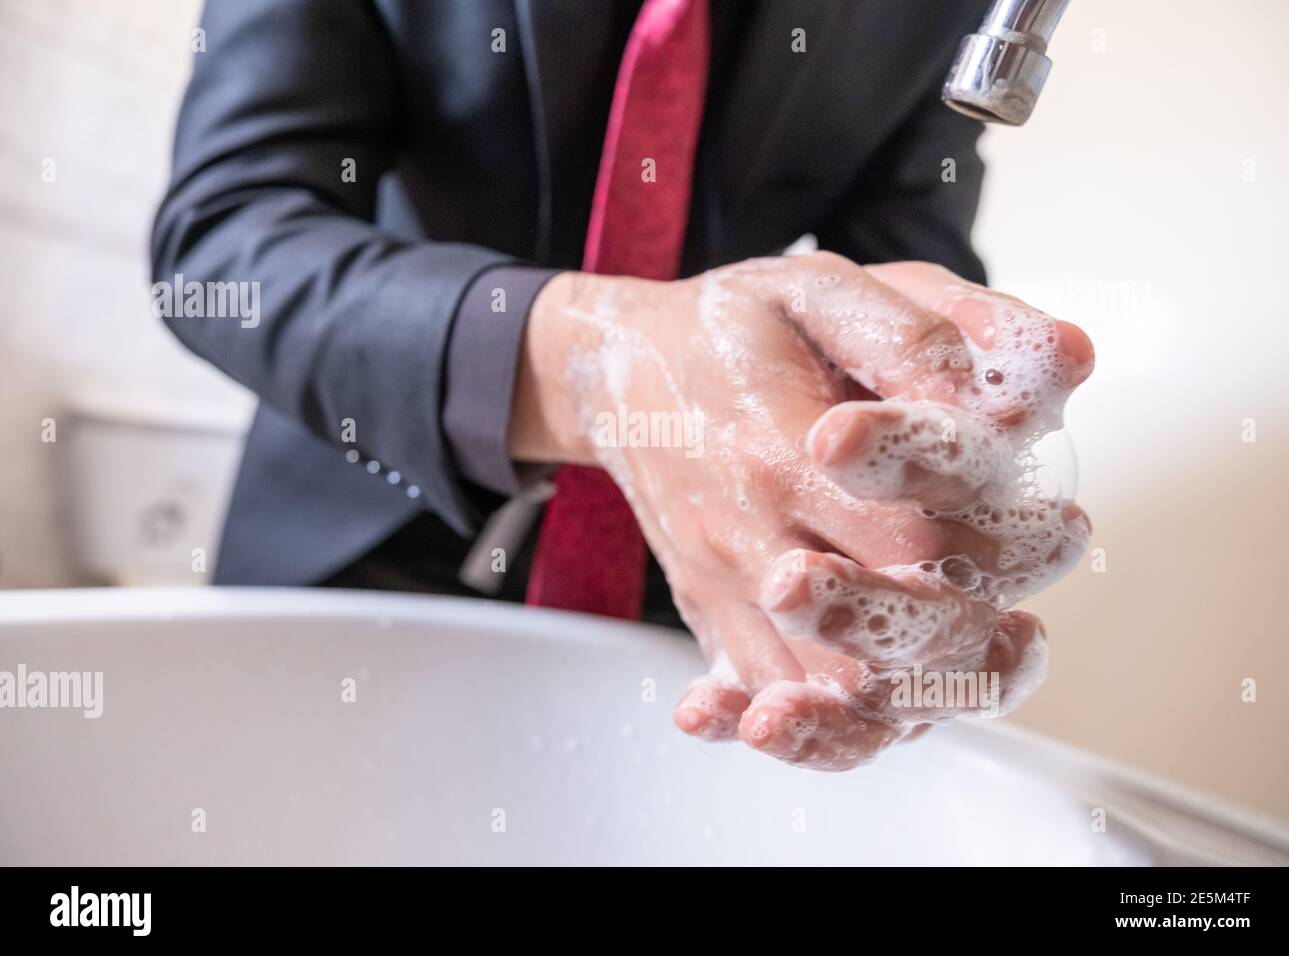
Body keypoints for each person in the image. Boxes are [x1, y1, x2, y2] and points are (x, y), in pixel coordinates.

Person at [151, 0, 1093, 770]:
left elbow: (904, 260)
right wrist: (602, 369)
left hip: (703, 619)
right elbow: (220, 243)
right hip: (355, 547)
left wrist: (927, 487)